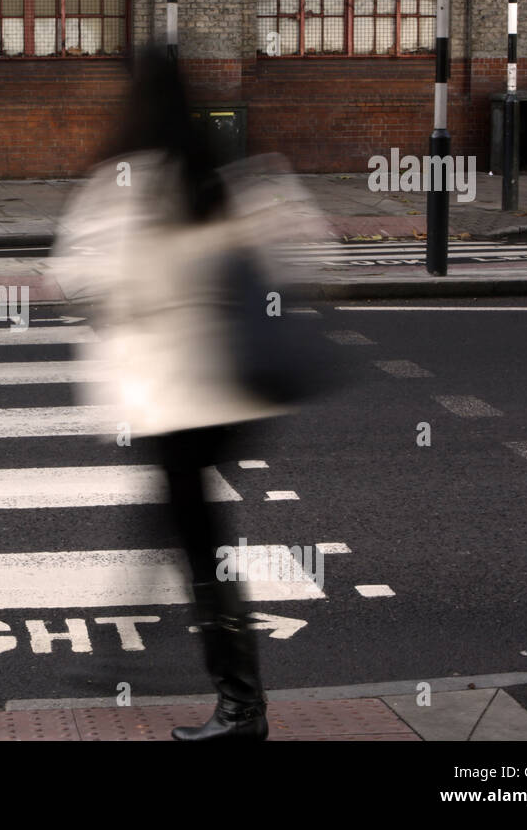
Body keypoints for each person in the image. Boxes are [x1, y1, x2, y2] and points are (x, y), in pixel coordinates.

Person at [52, 46, 324, 741]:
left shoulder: (128, 182)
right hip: (234, 394)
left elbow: (79, 281)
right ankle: (153, 654)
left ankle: (241, 707)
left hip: (170, 395)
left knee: (196, 537)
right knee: (184, 523)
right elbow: (313, 248)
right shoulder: (225, 173)